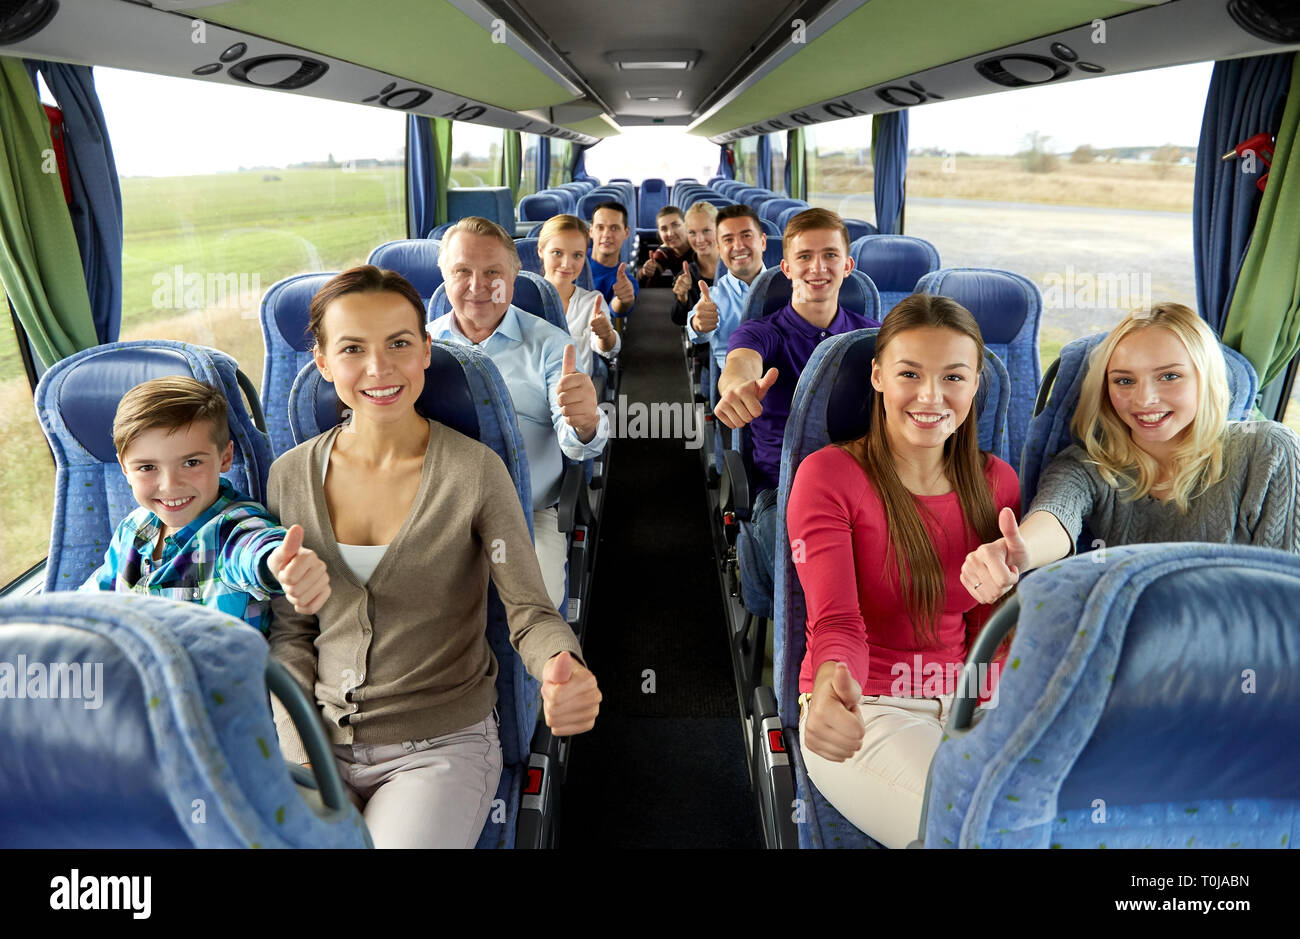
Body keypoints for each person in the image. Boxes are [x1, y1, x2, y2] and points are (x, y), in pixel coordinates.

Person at [268, 265, 601, 848]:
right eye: (352, 349)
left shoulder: (475, 471)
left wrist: (560, 665)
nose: (380, 368)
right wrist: (302, 760)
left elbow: (528, 611)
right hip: (316, 745)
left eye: (399, 343)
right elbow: (291, 635)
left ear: (427, 349)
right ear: (322, 363)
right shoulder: (289, 476)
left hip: (440, 748)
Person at [792, 295, 1020, 849]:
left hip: (970, 702)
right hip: (871, 708)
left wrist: (1016, 710)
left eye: (954, 377)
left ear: (975, 386)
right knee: (973, 829)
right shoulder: (829, 476)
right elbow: (837, 621)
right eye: (909, 373)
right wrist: (830, 685)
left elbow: (994, 632)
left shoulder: (998, 484)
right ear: (877, 376)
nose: (931, 396)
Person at [962, 302, 1300, 605]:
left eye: (1169, 376)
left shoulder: (1268, 451)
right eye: (1124, 381)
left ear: (1205, 378)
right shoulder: (1086, 466)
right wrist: (1019, 553)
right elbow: (1055, 515)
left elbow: (1283, 596)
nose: (1144, 399)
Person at [428, 217, 609, 610]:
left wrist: (585, 423)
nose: (477, 287)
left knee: (534, 615)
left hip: (528, 512)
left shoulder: (551, 346)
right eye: (462, 271)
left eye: (492, 272)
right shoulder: (420, 349)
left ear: (513, 277)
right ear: (445, 276)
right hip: (436, 514)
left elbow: (579, 445)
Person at [715, 208, 882, 607]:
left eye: (829, 255)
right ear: (786, 268)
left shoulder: (873, 336)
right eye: (805, 257)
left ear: (848, 265)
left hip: (866, 481)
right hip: (782, 486)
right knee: (820, 587)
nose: (818, 267)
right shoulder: (762, 331)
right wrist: (737, 387)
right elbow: (740, 363)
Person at [80, 375, 329, 635]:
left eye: (191, 463)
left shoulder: (231, 529)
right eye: (147, 467)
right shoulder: (130, 530)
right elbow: (95, 599)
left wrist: (278, 563)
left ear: (225, 457)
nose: (170, 485)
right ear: (125, 469)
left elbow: (251, 549)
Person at [685, 204, 769, 378]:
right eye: (728, 240)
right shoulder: (713, 296)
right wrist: (698, 323)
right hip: (739, 390)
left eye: (746, 236)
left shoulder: (792, 287)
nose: (738, 246)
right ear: (719, 250)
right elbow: (698, 330)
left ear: (762, 242)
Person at [536, 214, 620, 377]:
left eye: (577, 255)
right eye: (557, 253)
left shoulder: (591, 302)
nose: (567, 264)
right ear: (541, 251)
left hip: (575, 395)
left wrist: (606, 334)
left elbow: (608, 349)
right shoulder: (519, 299)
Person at [669, 201, 720, 327]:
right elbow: (679, 320)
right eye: (692, 233)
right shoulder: (686, 275)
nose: (699, 240)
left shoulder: (737, 266)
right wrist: (682, 298)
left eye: (706, 230)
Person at [587, 201, 637, 319]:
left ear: (626, 233)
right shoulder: (572, 260)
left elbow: (616, 309)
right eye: (600, 227)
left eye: (614, 228)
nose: (607, 234)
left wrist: (623, 300)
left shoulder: (626, 281)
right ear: (591, 231)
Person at [638, 205, 694, 288]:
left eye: (675, 225)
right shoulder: (664, 252)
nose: (670, 233)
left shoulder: (699, 245)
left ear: (686, 226)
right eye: (664, 229)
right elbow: (646, 282)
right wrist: (645, 272)